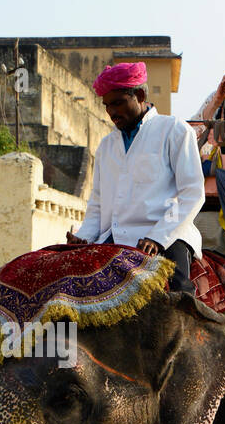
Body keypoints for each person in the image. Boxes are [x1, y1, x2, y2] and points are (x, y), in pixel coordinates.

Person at [67, 61, 204, 292]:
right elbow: (98, 204)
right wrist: (84, 237)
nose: (111, 112)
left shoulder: (175, 130)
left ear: (139, 95)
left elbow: (192, 193)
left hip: (167, 236)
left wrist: (158, 237)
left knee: (178, 299)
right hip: (115, 238)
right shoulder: (106, 146)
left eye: (118, 103)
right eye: (107, 105)